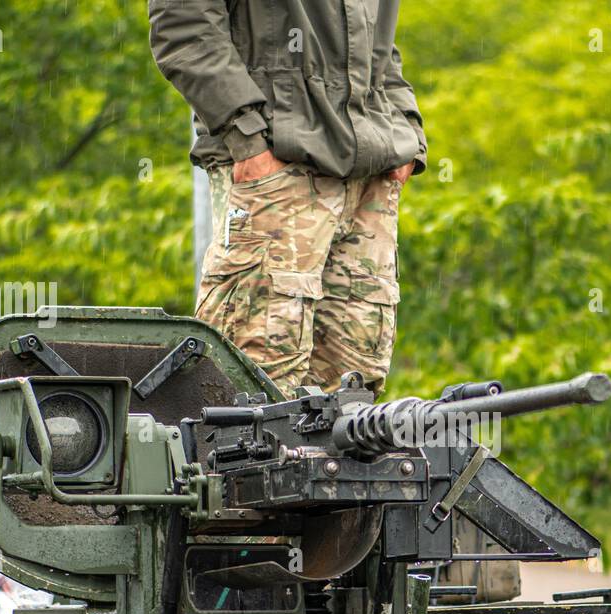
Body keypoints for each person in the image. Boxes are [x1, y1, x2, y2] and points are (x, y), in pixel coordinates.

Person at [149, 0, 426, 396]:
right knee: (251, 389)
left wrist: (407, 127)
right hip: (277, 167)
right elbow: (184, 23)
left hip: (371, 175)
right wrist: (246, 137)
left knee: (353, 402)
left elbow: (376, 42)